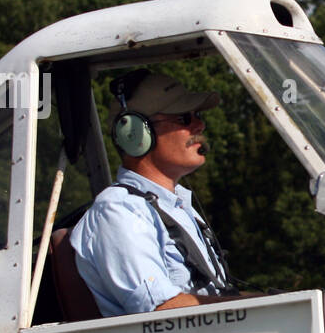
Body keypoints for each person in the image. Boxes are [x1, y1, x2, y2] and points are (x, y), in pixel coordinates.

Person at [70, 70, 241, 317]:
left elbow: (217, 299)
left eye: (198, 115)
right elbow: (159, 311)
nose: (199, 125)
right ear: (135, 132)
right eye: (184, 118)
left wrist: (275, 302)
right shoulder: (120, 211)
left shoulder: (177, 205)